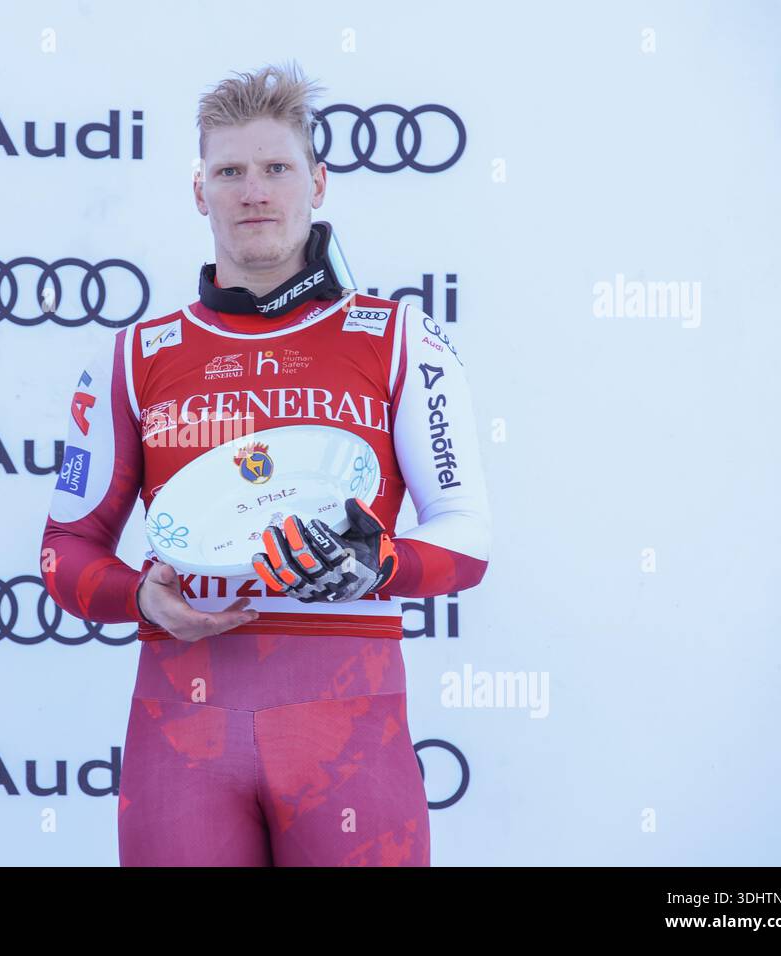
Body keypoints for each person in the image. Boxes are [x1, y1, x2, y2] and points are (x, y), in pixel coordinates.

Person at [40, 62, 491, 866]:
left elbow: (470, 538)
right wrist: (141, 596)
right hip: (182, 725)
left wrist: (381, 564)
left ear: (318, 183)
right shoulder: (135, 356)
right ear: (198, 190)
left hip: (349, 722)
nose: (255, 191)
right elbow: (63, 550)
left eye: (277, 168)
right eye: (230, 172)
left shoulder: (399, 339)